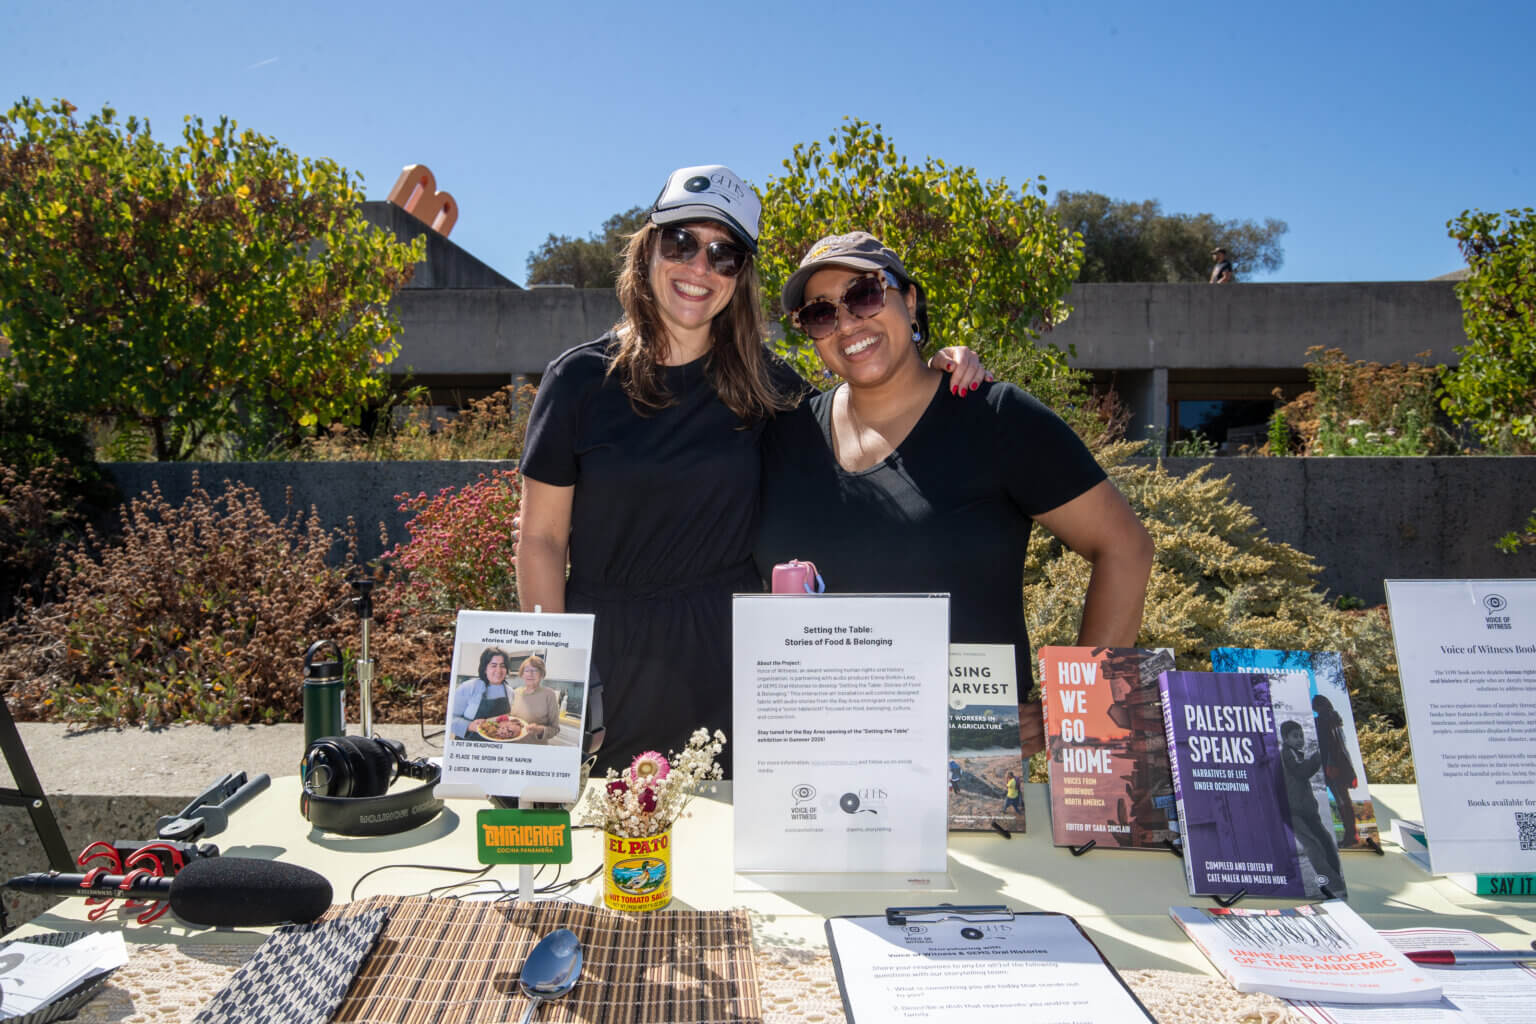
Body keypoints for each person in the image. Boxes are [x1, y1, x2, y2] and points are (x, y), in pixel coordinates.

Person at [517, 168, 986, 776]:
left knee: (732, 859)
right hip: (607, 657)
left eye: (724, 254)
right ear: (648, 249)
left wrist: (939, 367)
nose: (699, 268)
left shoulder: (769, 387)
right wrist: (564, 677)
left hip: (736, 664)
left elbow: (868, 413)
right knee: (615, 861)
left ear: (740, 277)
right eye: (681, 242)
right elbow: (542, 540)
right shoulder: (578, 380)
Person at [755, 232, 1155, 755]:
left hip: (969, 765)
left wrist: (1076, 706)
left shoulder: (993, 417)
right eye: (821, 314)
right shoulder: (785, 434)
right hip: (814, 764)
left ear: (911, 300)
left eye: (865, 295)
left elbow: (1126, 548)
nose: (848, 322)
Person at [1279, 719, 1344, 892]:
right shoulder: (1287, 754)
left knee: (1326, 842)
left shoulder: (1296, 754)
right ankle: (1332, 885)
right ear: (1285, 739)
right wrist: (1318, 756)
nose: (1300, 739)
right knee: (1314, 846)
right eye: (1295, 736)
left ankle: (1335, 880)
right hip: (1294, 811)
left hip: (1306, 810)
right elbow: (1302, 772)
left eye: (1301, 735)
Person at [1311, 694, 1360, 847]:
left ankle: (1350, 836)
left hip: (1332, 766)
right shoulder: (1336, 720)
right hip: (1342, 765)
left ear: (1318, 706)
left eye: (1315, 705)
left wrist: (1329, 764)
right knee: (1344, 800)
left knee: (1342, 801)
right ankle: (1351, 834)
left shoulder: (1322, 721)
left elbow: (1329, 746)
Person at [449, 647, 513, 743]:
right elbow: (450, 719)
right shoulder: (468, 687)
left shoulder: (510, 691)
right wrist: (469, 726)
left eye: (502, 666)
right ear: (484, 669)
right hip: (469, 745)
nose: (499, 670)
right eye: (493, 665)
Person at [506, 654, 561, 743]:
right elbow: (509, 718)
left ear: (542, 674)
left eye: (535, 670)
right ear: (522, 674)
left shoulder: (549, 694)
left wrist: (539, 730)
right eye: (527, 670)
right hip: (513, 744)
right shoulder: (515, 692)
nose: (530, 674)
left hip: (535, 747)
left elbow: (555, 729)